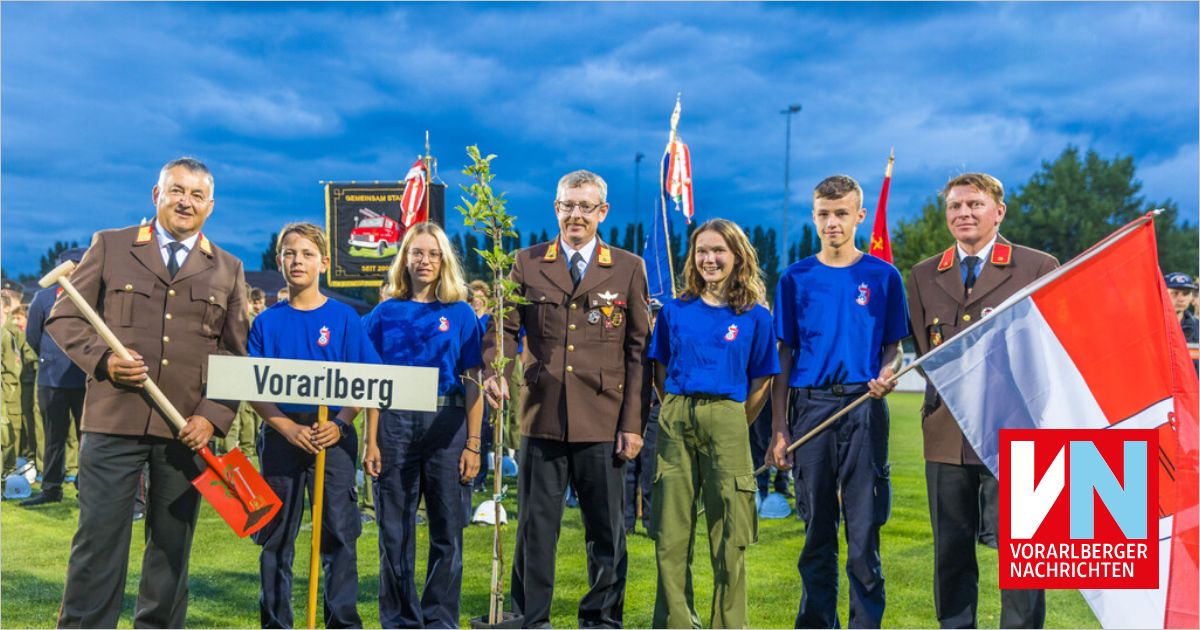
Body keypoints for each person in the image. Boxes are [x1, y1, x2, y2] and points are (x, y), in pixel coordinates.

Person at [46, 157, 248, 627]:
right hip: (112, 421)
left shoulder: (228, 268)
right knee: (98, 543)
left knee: (172, 549)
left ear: (210, 207)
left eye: (197, 195)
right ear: (155, 195)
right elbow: (65, 317)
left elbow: (235, 355)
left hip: (187, 432)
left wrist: (213, 416)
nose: (185, 201)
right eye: (176, 190)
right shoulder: (112, 246)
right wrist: (104, 360)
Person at [874, 172, 1053, 628]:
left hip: (1016, 433)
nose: (964, 213)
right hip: (947, 432)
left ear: (999, 211)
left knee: (1024, 553)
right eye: (955, 206)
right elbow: (920, 346)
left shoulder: (1038, 267)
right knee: (951, 552)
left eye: (974, 204)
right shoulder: (922, 275)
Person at [482, 169, 651, 628]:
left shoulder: (628, 267)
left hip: (603, 416)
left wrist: (633, 424)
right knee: (535, 529)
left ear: (602, 212)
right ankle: (529, 617)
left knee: (606, 532)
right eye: (567, 205)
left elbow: (639, 353)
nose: (576, 214)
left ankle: (600, 618)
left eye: (585, 205)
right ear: (556, 208)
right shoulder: (527, 262)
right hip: (542, 417)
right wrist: (496, 369)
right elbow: (503, 328)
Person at [769, 175, 910, 628]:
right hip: (810, 408)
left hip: (863, 407)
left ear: (859, 216)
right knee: (816, 533)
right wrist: (779, 428)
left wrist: (887, 372)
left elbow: (895, 347)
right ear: (814, 216)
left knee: (865, 533)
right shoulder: (794, 279)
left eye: (842, 213)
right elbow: (784, 358)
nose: (833, 223)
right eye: (824, 214)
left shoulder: (883, 276)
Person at [648, 218, 779, 628]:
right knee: (671, 533)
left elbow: (762, 378)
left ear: (737, 255)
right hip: (676, 416)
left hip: (728, 418)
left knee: (730, 535)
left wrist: (734, 421)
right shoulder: (675, 309)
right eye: (702, 251)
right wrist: (676, 408)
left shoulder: (756, 316)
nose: (710, 259)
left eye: (719, 250)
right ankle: (676, 622)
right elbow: (660, 367)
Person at [248, 222, 375, 628]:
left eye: (306, 254)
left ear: (323, 262)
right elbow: (254, 387)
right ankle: (276, 621)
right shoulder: (266, 322)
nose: (297, 261)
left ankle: (341, 621)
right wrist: (285, 427)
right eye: (289, 253)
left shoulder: (344, 318)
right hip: (283, 436)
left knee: (338, 534)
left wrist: (341, 423)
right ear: (279, 260)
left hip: (332, 437)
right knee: (275, 536)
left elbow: (366, 382)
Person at [362, 222, 484, 628]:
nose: (425, 260)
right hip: (394, 423)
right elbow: (371, 381)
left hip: (447, 423)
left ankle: (439, 619)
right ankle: (399, 619)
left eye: (433, 253)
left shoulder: (462, 313)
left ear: (444, 259)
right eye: (417, 252)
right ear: (405, 258)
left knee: (447, 529)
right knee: (394, 529)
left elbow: (473, 381)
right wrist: (371, 439)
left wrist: (473, 443)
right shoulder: (383, 313)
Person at [21, 247, 88, 505]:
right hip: (52, 380)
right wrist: (50, 358)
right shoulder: (44, 298)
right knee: (53, 437)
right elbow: (33, 337)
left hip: (84, 378)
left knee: (88, 439)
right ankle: (51, 489)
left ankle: (87, 489)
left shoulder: (94, 296)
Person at [624, 300, 663, 535]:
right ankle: (626, 522)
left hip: (656, 407)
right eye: (651, 316)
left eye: (657, 316)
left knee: (652, 467)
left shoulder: (664, 343)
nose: (654, 320)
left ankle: (651, 521)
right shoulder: (632, 341)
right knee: (628, 467)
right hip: (632, 407)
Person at [1165, 272, 1199, 343]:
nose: (1181, 299)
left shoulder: (1197, 326)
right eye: (1175, 293)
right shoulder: (1149, 325)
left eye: (1186, 293)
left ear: (1191, 297)